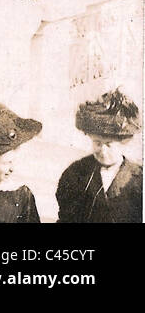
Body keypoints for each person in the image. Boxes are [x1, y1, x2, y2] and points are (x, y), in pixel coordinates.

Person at [56, 88, 142, 223]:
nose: (102, 150)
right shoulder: (75, 173)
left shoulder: (139, 179)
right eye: (97, 143)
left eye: (109, 144)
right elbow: (66, 218)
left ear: (123, 142)